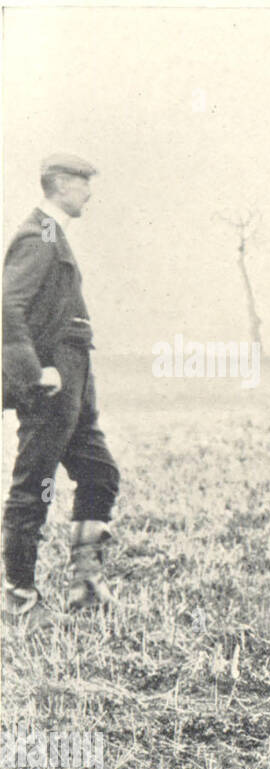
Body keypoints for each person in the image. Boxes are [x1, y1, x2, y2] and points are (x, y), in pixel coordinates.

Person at [2, 154, 120, 628]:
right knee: (33, 487)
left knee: (99, 473)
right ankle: (19, 598)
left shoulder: (53, 235)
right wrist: (35, 372)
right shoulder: (39, 236)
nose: (89, 193)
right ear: (62, 185)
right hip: (52, 382)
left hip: (75, 377)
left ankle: (85, 586)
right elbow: (7, 306)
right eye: (84, 184)